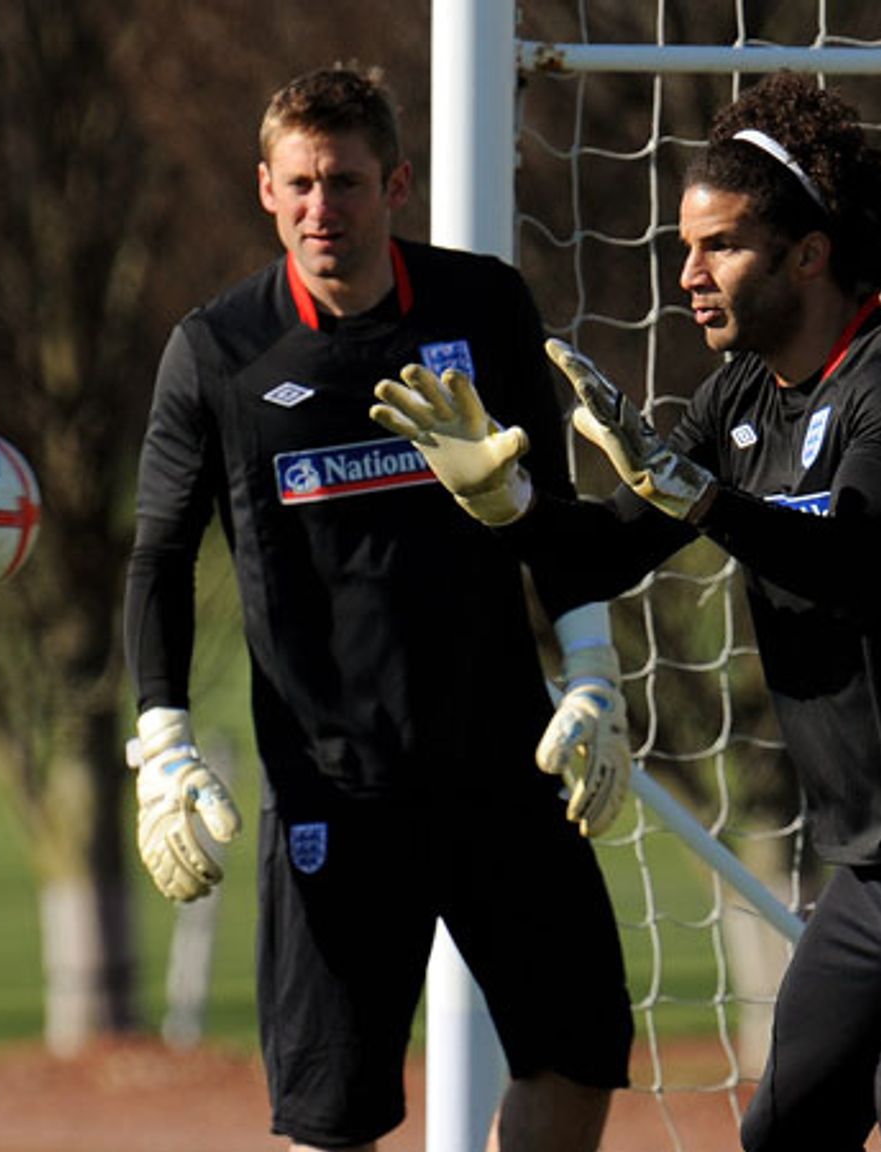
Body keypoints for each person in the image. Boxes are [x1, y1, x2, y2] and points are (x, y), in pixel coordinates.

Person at [369, 71, 881, 1152]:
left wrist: (705, 500)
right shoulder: (735, 402)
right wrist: (510, 505)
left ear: (805, 253)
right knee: (784, 1136)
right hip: (874, 854)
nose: (687, 276)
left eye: (717, 246)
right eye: (685, 248)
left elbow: (857, 566)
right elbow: (613, 549)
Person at [121, 64, 634, 1152]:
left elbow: (554, 509)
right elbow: (159, 557)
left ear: (396, 184)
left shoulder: (483, 306)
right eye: (299, 184)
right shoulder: (215, 352)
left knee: (580, 1058)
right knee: (330, 1123)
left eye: (346, 182)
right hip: (334, 792)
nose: (322, 209)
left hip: (502, 764)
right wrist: (160, 739)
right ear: (264, 188)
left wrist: (590, 673)